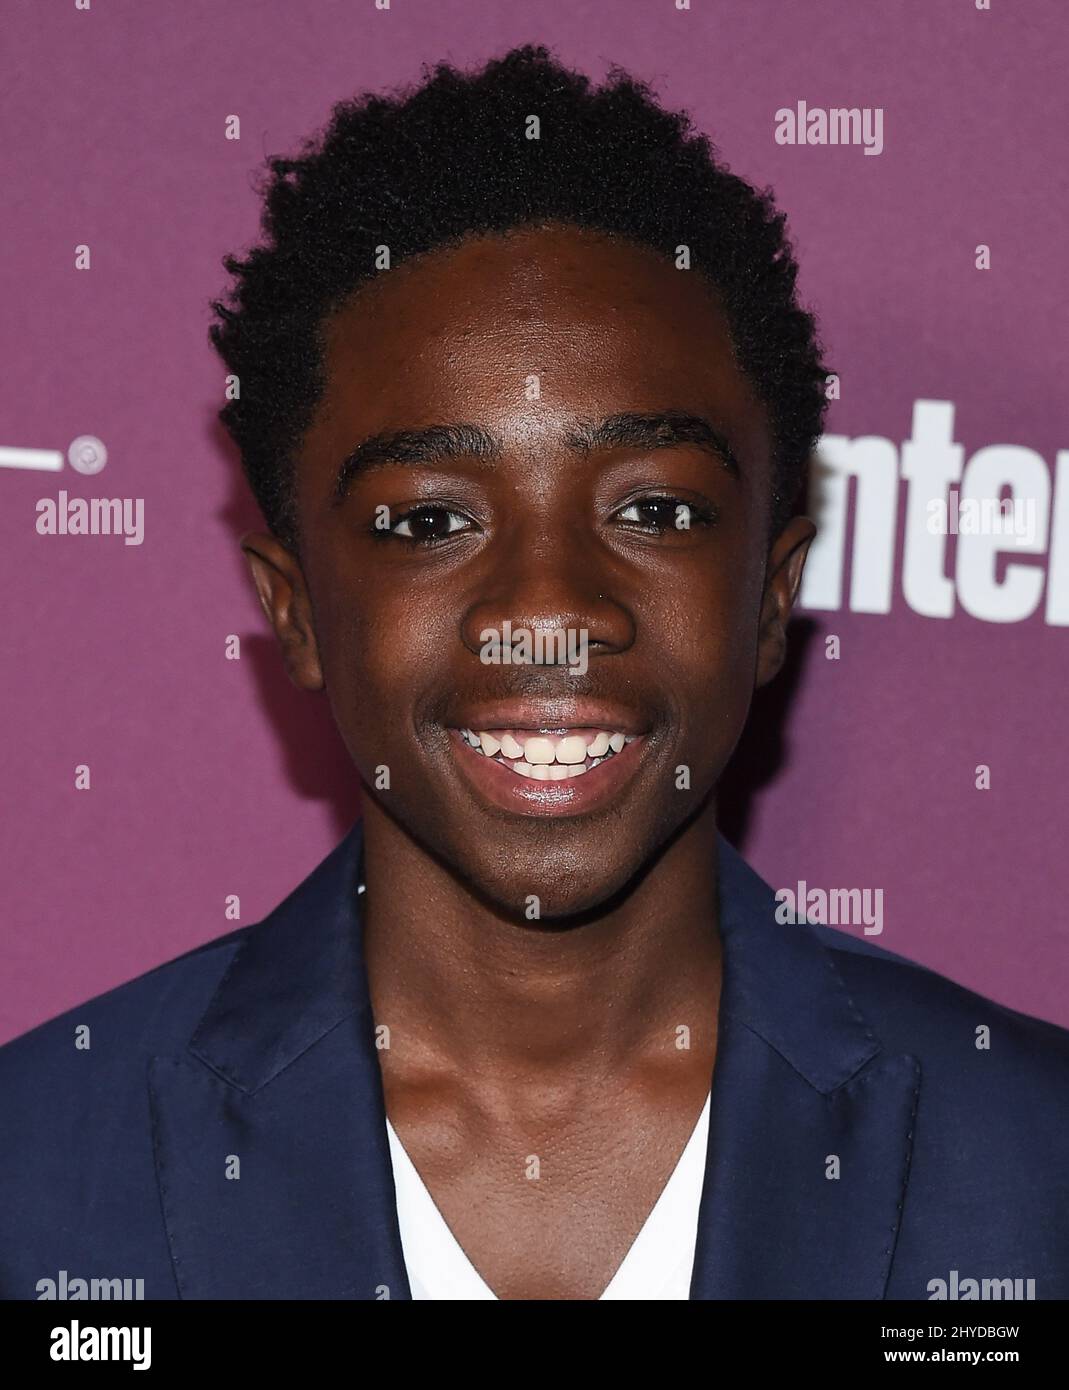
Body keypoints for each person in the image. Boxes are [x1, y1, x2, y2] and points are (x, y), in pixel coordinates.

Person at [2, 45, 1067, 1302]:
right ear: (294, 612)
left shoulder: (1029, 1164)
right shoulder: (41, 1177)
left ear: (772, 597)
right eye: (429, 519)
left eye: (657, 511)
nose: (548, 610)